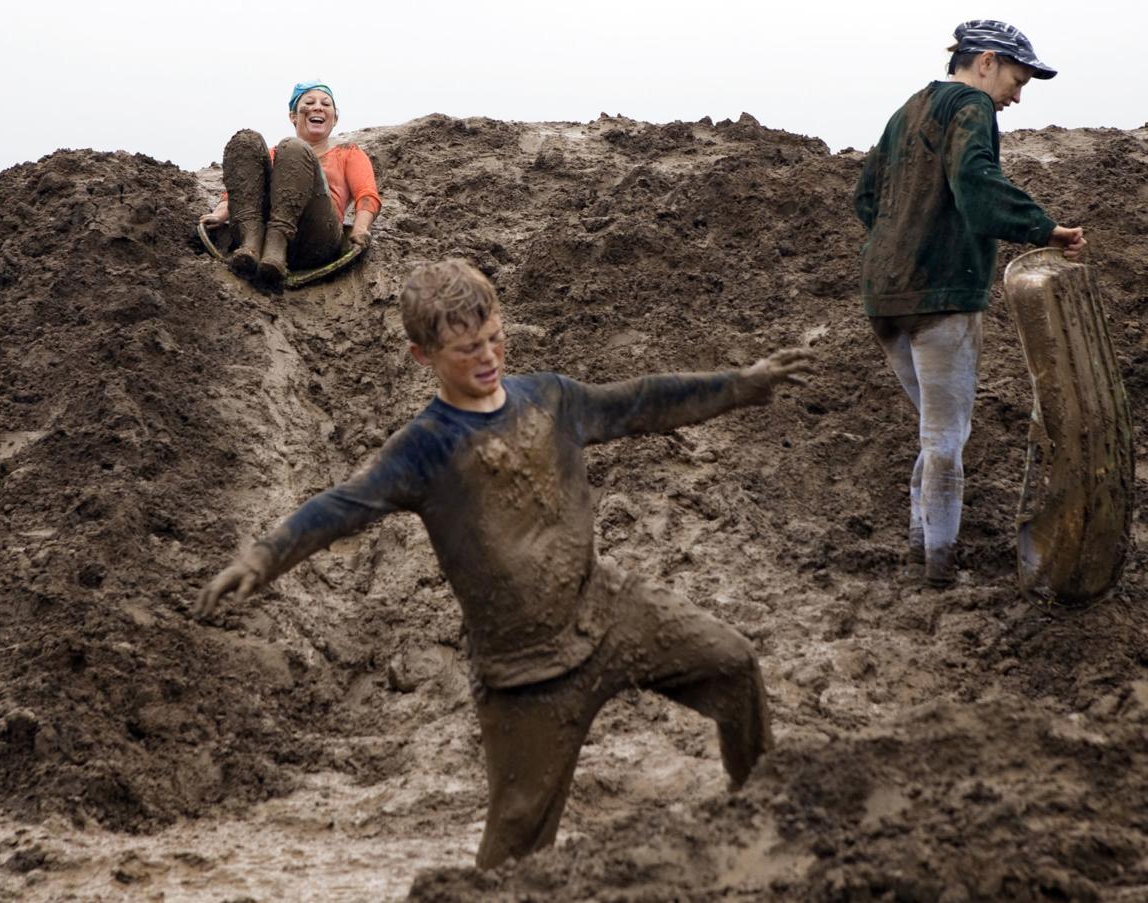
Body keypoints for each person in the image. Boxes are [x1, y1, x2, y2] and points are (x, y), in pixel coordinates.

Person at [196, 258, 815, 869]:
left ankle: (759, 821)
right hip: (525, 676)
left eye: (495, 338)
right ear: (424, 356)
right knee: (514, 852)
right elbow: (344, 505)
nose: (489, 357)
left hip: (607, 611)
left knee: (733, 664)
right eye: (468, 349)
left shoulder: (550, 397)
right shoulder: (425, 449)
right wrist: (264, 556)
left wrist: (742, 384)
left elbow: (642, 402)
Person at [853, 19, 1086, 588]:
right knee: (945, 438)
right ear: (985, 62)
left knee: (937, 433)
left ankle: (917, 551)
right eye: (1017, 77)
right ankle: (939, 570)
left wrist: (901, 241)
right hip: (941, 294)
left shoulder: (908, 109)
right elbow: (977, 187)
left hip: (884, 297)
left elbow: (864, 198)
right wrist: (1044, 229)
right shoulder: (970, 107)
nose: (1017, 94)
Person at [200, 80, 381, 284]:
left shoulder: (347, 153)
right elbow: (242, 189)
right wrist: (220, 213)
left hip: (315, 239)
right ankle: (250, 243)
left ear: (335, 117)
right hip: (260, 237)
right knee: (245, 141)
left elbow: (366, 194)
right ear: (293, 116)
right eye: (309, 102)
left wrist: (360, 228)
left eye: (326, 104)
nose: (318, 107)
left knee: (294, 148)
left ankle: (278, 245)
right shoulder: (274, 155)